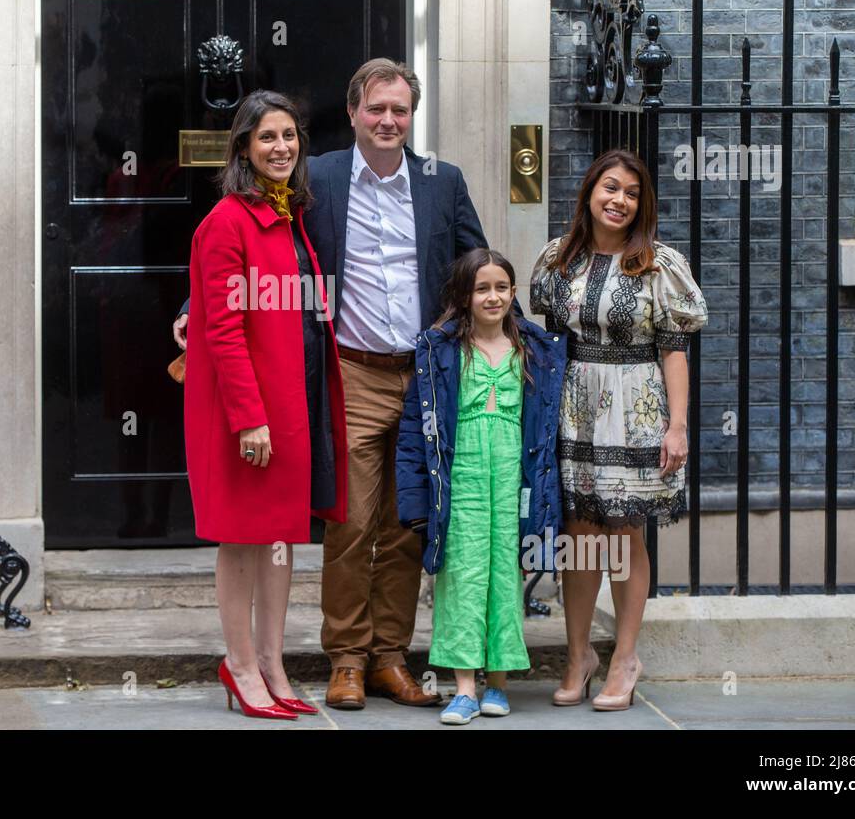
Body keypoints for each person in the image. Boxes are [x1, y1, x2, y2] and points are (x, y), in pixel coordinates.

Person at [175, 59, 487, 709]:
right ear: (353, 113)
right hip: (349, 372)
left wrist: (464, 335)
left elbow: (474, 267)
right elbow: (245, 247)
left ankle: (390, 658)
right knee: (348, 520)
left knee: (409, 521)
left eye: (399, 110)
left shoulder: (442, 182)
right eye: (376, 109)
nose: (387, 121)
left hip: (423, 375)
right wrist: (191, 311)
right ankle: (345, 657)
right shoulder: (314, 176)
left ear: (412, 115)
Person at [183, 90, 348, 720]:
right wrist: (249, 418)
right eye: (267, 138)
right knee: (242, 539)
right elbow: (222, 328)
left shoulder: (291, 215)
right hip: (248, 411)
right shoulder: (227, 222)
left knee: (283, 538)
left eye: (289, 136)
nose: (281, 148)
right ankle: (240, 664)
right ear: (244, 149)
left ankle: (275, 663)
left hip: (296, 398)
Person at [528, 148, 708, 711]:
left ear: (641, 205)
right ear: (589, 192)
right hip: (574, 406)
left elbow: (674, 347)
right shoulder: (557, 259)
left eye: (631, 194)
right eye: (610, 188)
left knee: (624, 536)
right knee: (579, 535)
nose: (619, 200)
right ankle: (579, 656)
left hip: (637, 408)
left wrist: (678, 426)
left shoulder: (659, 264)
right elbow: (545, 339)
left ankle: (625, 657)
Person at [397, 248, 567, 724]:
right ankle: (464, 687)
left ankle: (499, 682)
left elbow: (547, 430)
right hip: (461, 478)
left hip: (515, 476)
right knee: (460, 576)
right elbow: (415, 428)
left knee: (505, 573)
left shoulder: (535, 349)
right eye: (481, 288)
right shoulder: (440, 350)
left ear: (514, 293)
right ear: (464, 296)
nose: (492, 297)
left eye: (501, 287)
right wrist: (413, 499)